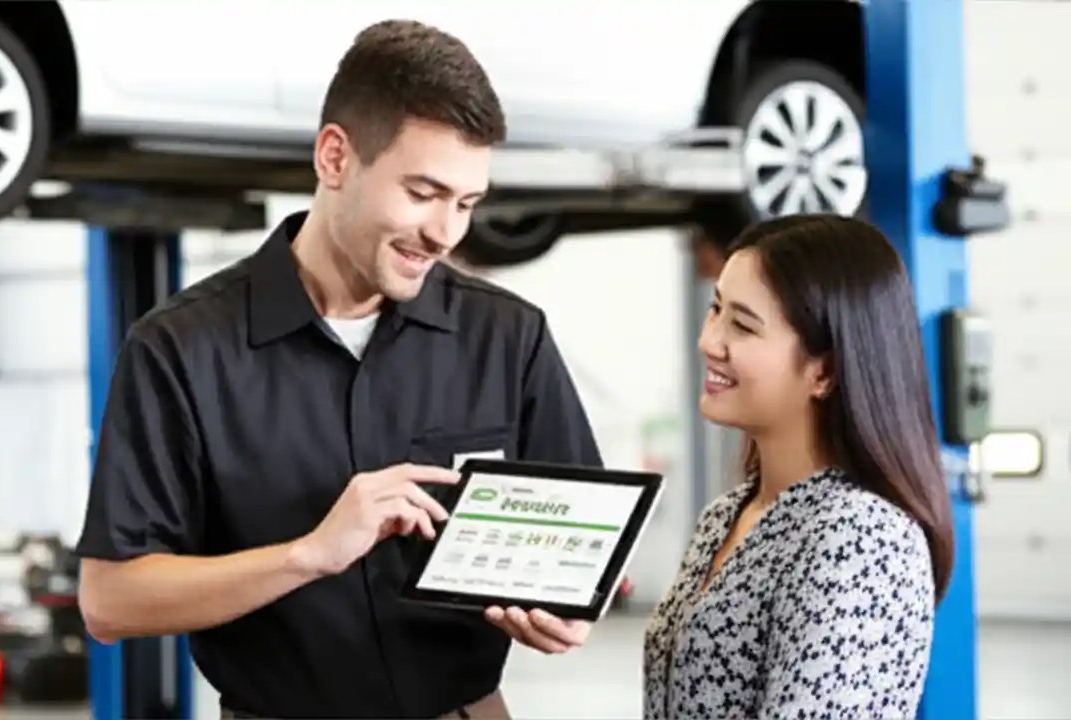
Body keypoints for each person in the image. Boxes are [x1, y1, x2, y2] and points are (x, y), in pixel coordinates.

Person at [74, 19, 602, 720]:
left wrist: (567, 611)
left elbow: (586, 549)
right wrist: (310, 554)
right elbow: (111, 600)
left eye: (466, 203)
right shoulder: (181, 349)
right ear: (334, 158)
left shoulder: (508, 337)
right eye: (422, 193)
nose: (445, 233)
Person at [643, 214, 955, 719]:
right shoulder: (726, 516)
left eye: (742, 325)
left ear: (824, 371)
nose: (709, 341)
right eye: (715, 309)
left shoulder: (862, 538)